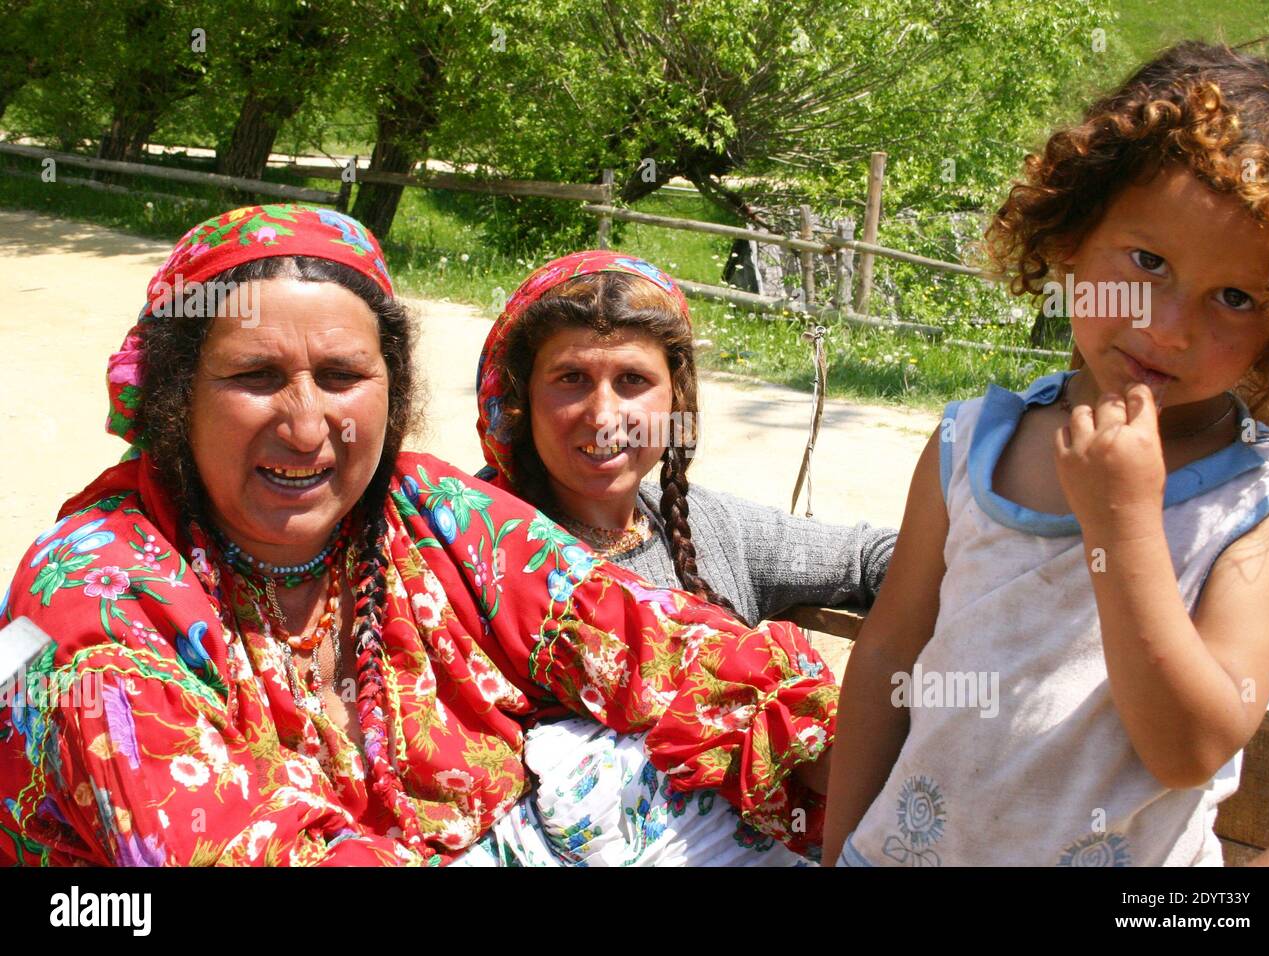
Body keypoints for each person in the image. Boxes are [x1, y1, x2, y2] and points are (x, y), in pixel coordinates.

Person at [0, 204, 836, 867]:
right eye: (255, 377)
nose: (304, 425)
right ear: (177, 399)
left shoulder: (430, 510)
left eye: (342, 377)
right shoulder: (96, 593)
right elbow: (221, 845)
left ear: (391, 395)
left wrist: (854, 765)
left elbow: (648, 642)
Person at [825, 40, 1269, 866]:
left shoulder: (1265, 510)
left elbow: (1190, 749)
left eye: (1235, 297)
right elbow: (889, 659)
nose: (1168, 327)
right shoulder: (968, 445)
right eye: (1147, 262)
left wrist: (1122, 524)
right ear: (1075, 234)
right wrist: (839, 854)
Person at [474, 250, 896, 626]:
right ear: (519, 400)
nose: (603, 415)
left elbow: (869, 555)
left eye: (633, 379)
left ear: (676, 401)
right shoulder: (469, 549)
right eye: (571, 378)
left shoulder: (715, 530)